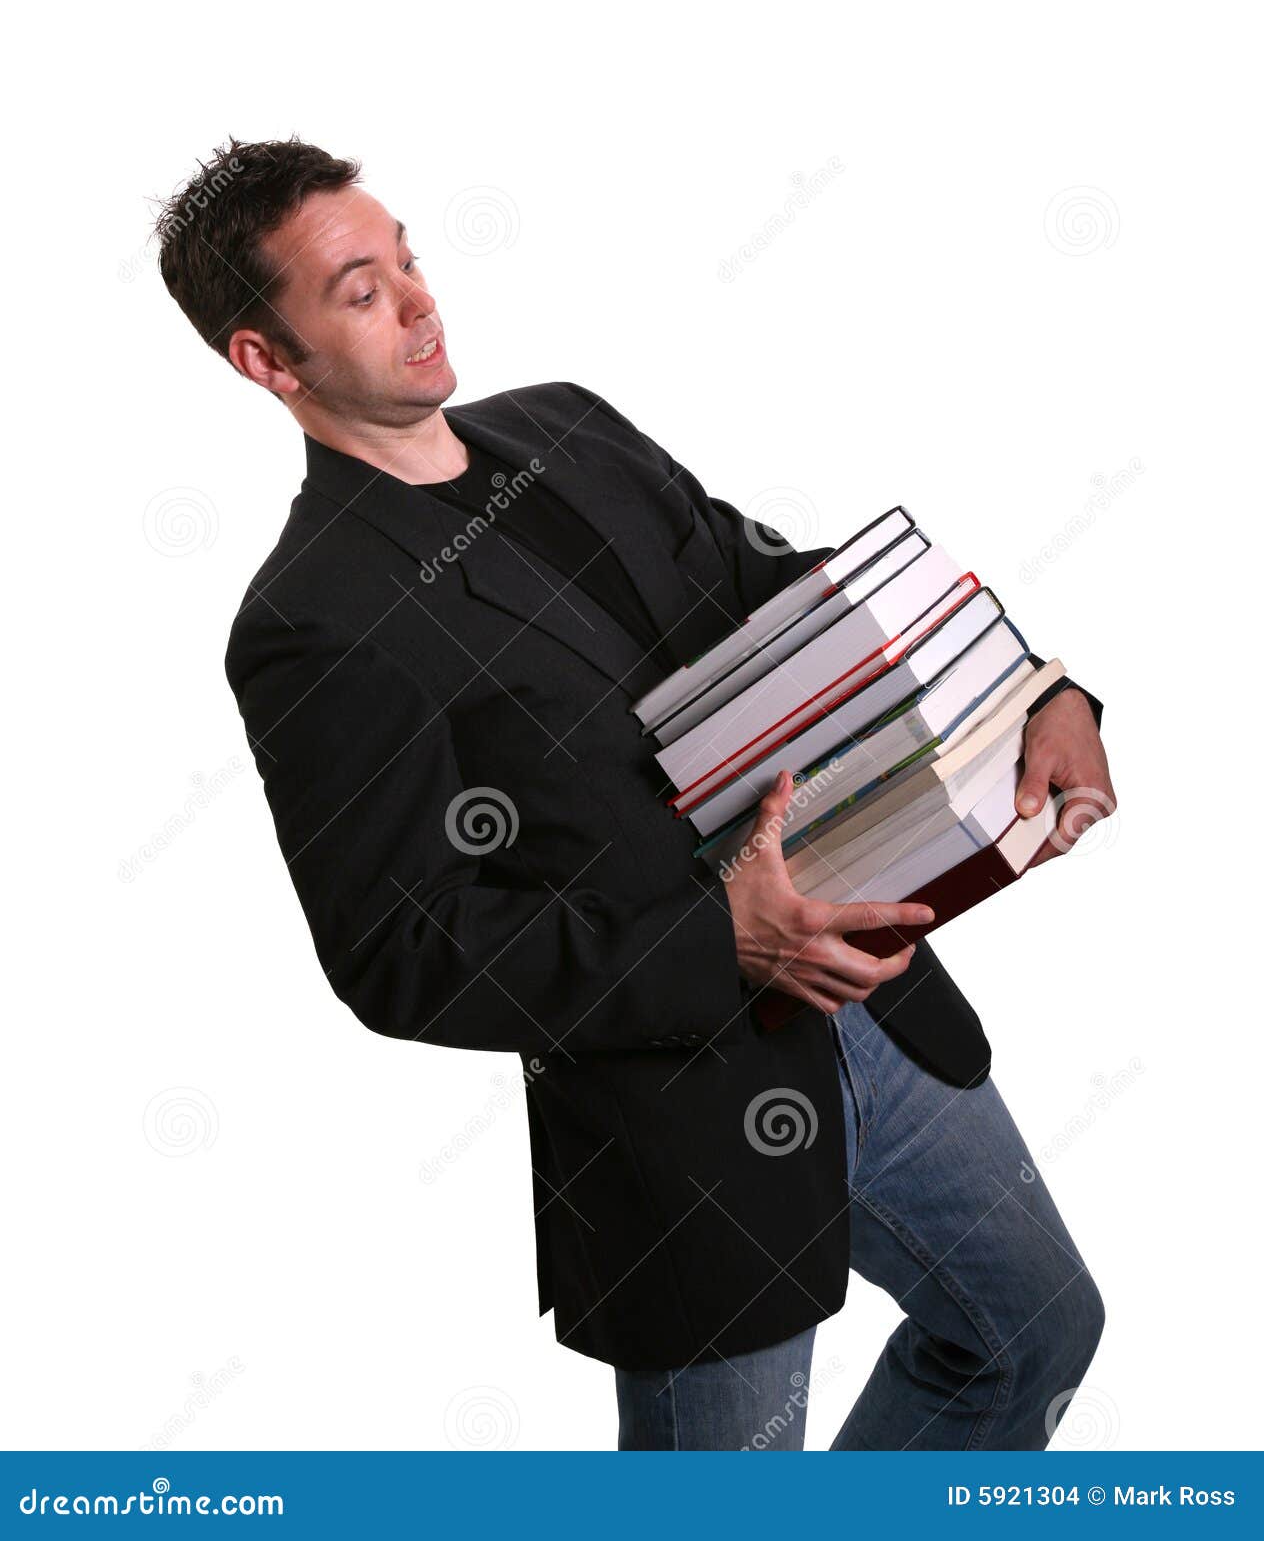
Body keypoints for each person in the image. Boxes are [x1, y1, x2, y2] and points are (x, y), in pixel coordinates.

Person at [157, 137, 1117, 1450]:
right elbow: (400, 949)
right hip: (684, 1123)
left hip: (880, 1012)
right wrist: (719, 941)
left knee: (1032, 1332)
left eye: (408, 260)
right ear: (267, 360)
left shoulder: (565, 425)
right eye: (360, 292)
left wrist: (1037, 680)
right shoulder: (315, 616)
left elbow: (780, 593)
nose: (423, 303)